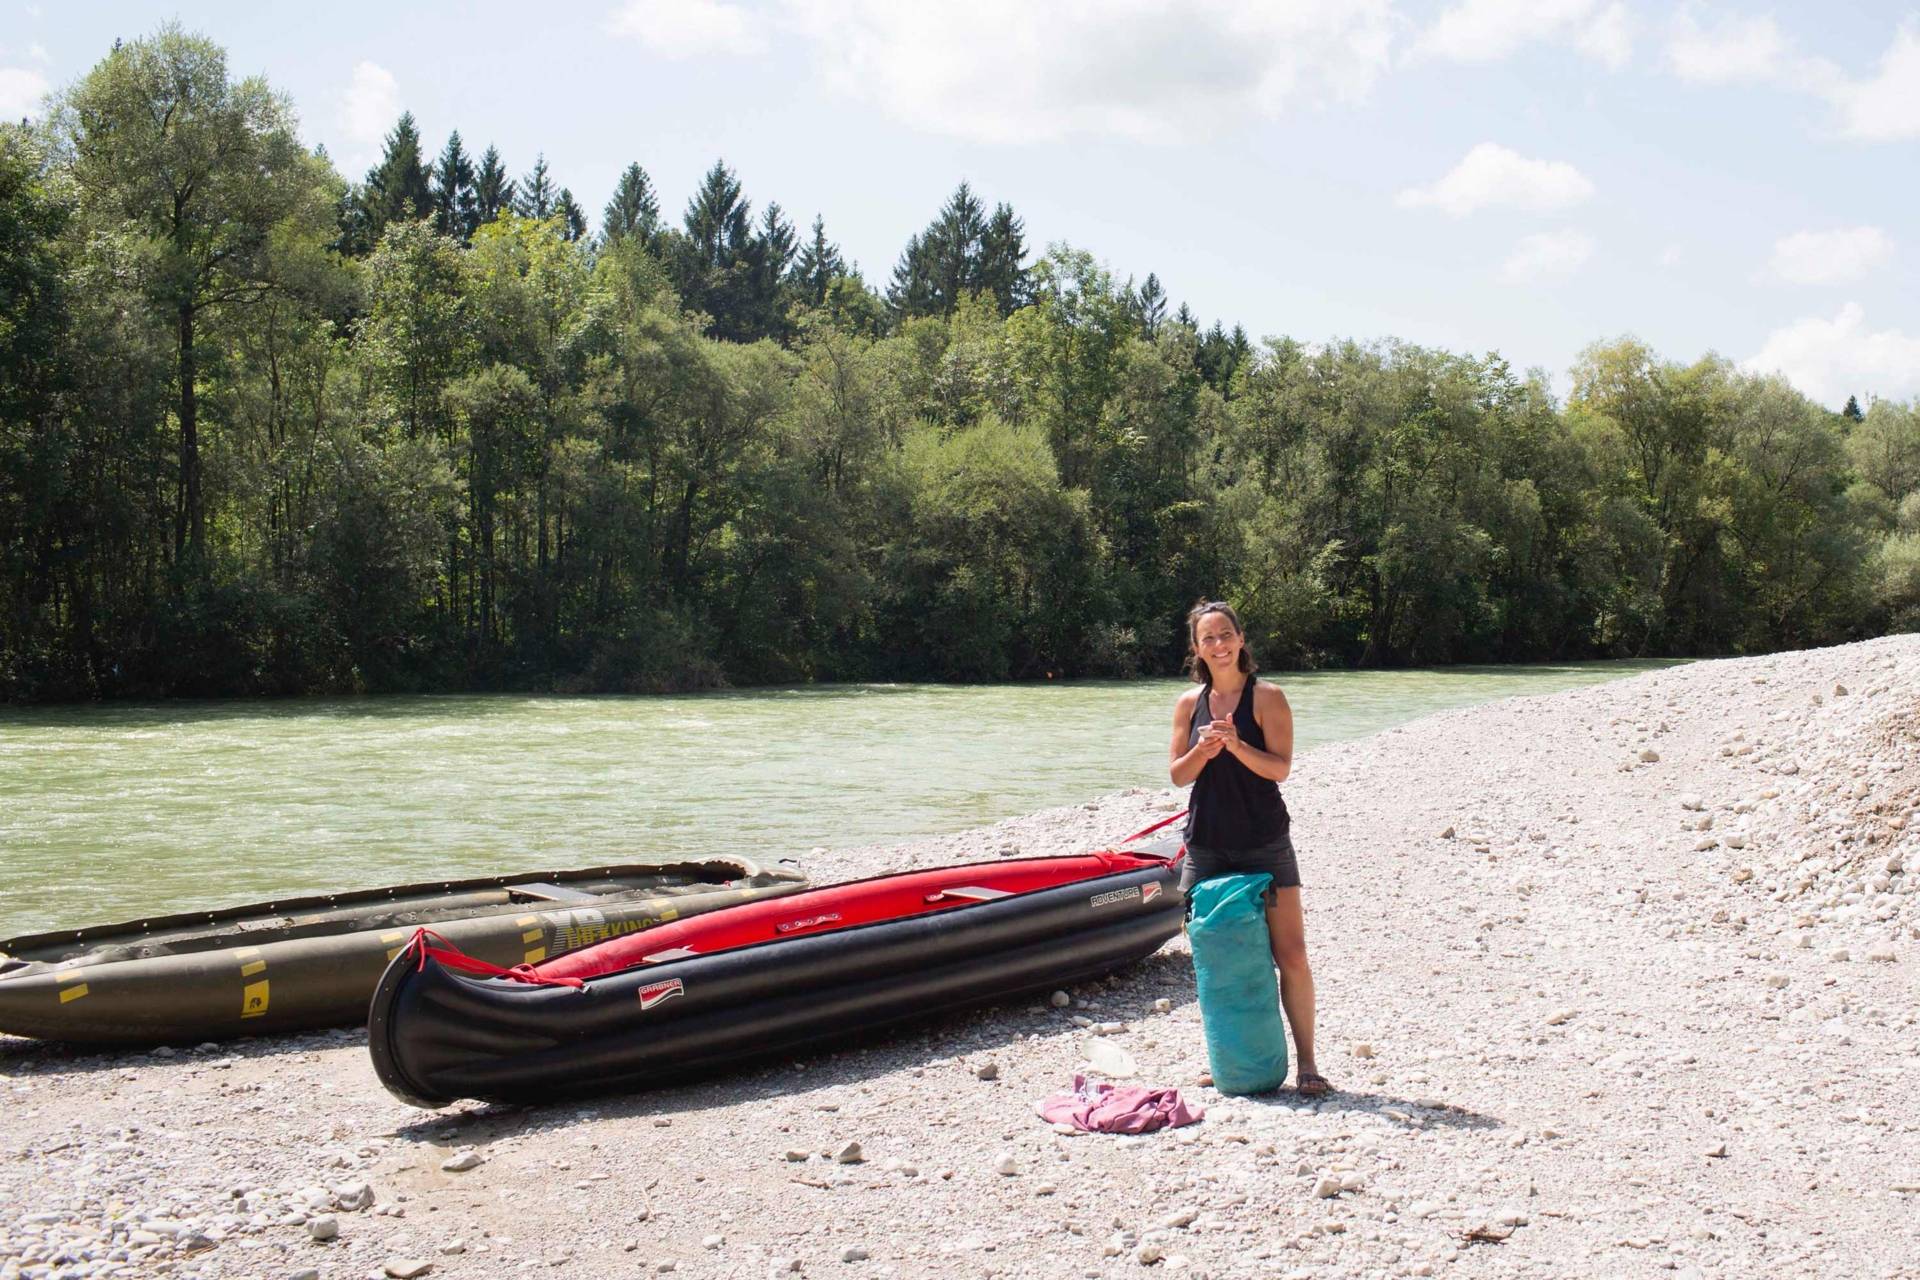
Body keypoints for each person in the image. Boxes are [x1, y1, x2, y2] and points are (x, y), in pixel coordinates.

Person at [1168, 599, 1327, 1096]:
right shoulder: (1187, 704)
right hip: (1206, 845)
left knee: (1292, 955)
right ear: (1196, 648)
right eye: (1207, 638)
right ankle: (1228, 1056)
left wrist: (1237, 746)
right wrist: (1204, 749)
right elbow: (1178, 775)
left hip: (1264, 841)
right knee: (1214, 954)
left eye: (1225, 635)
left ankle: (1307, 1063)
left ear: (1240, 639)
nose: (1218, 645)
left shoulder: (1268, 698)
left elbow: (1280, 768)